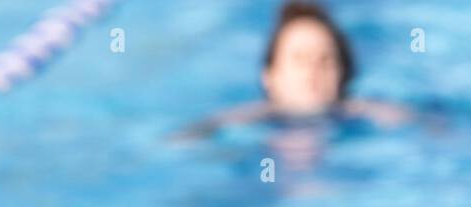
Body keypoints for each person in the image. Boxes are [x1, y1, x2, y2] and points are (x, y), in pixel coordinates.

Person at [176, 2, 411, 140]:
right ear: (270, 77)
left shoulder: (371, 115)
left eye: (325, 60)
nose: (312, 71)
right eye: (299, 59)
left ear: (342, 76)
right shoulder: (236, 122)